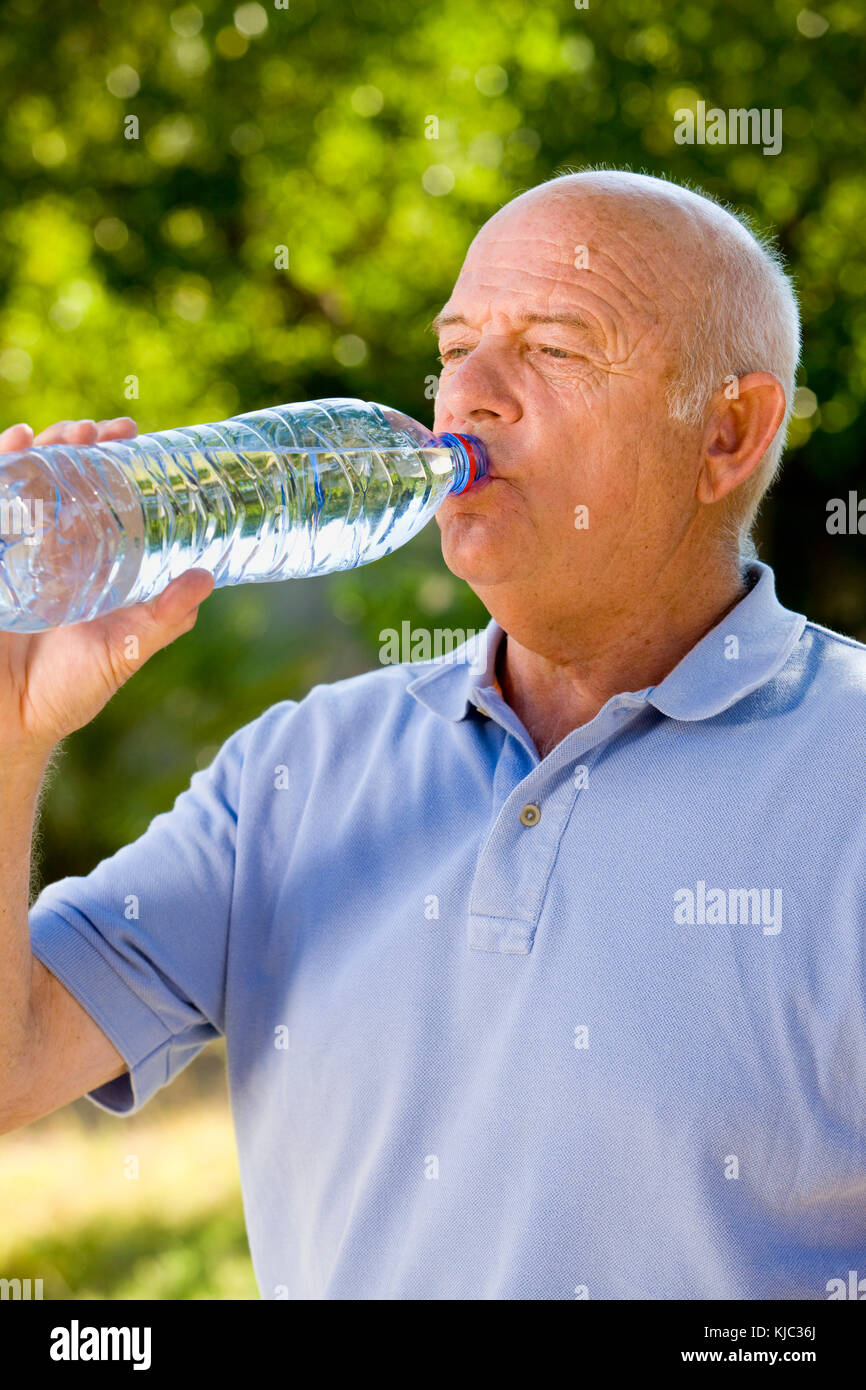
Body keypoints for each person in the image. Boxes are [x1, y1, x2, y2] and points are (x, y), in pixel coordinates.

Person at [2, 170, 863, 1300]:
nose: (470, 398)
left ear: (726, 430)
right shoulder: (294, 769)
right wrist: (13, 734)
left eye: (554, 348)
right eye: (455, 348)